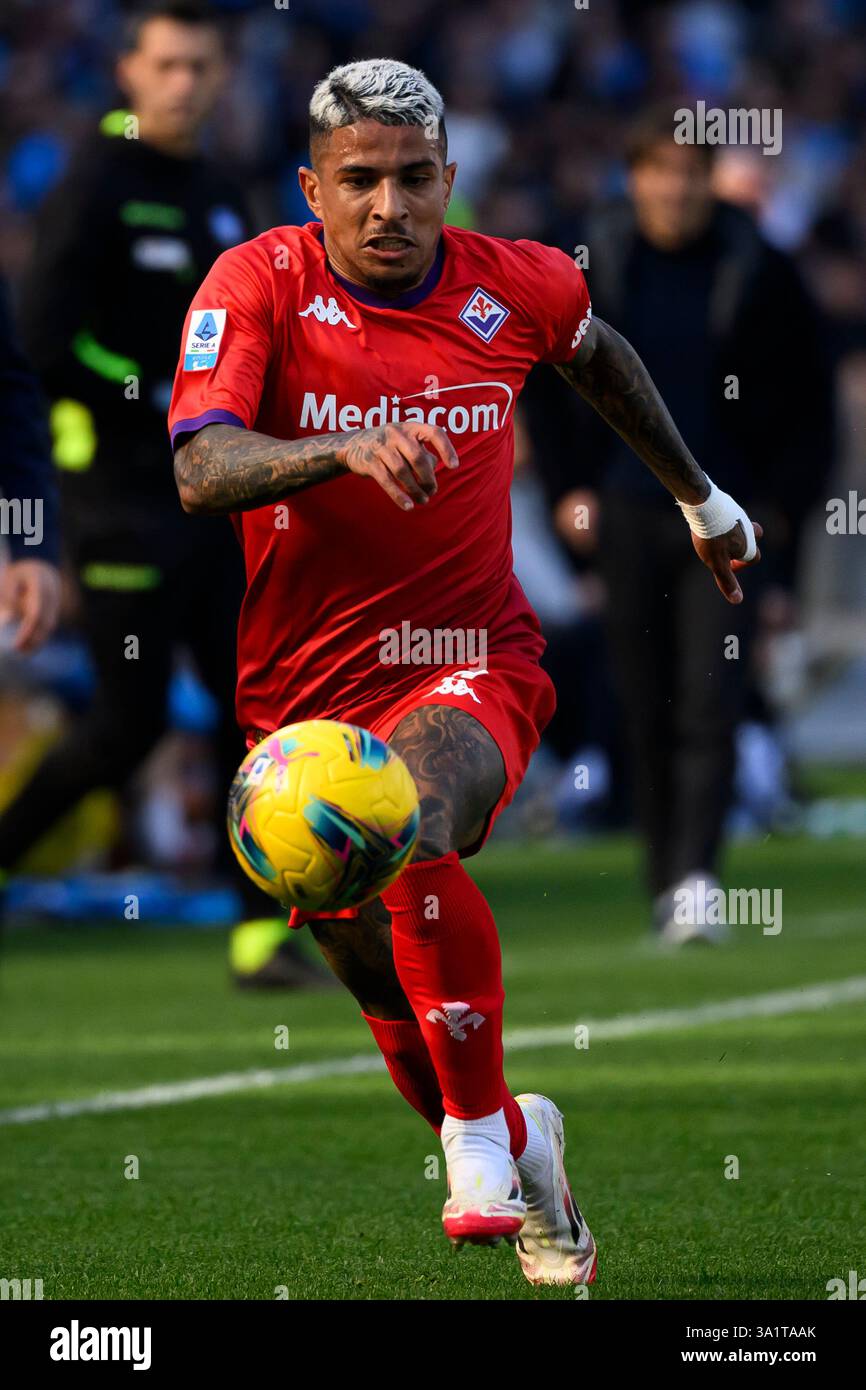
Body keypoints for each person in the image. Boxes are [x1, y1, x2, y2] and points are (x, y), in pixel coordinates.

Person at [168, 60, 760, 1282]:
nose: (389, 206)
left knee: (406, 817)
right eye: (360, 182)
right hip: (298, 699)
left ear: (450, 177)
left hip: (473, 660)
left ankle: (481, 1148)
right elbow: (201, 466)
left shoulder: (517, 281)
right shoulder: (257, 283)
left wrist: (697, 499)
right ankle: (517, 1140)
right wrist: (340, 450)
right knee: (379, 986)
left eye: (414, 178)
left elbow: (598, 357)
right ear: (312, 189)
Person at [0, 1, 319, 985]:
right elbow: (46, 342)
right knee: (127, 723)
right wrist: (161, 397)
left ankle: (261, 932)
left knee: (249, 702)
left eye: (201, 67)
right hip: (121, 496)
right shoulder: (92, 182)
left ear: (223, 77)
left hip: (217, 494)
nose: (185, 84)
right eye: (168, 65)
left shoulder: (224, 191)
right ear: (129, 73)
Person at [524, 106, 832, 943]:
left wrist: (779, 516)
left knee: (710, 698)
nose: (674, 188)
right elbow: (546, 387)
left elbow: (811, 406)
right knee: (639, 699)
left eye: (689, 172)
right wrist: (567, 492)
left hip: (728, 519)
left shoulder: (760, 266)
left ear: (707, 179)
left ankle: (697, 879)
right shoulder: (595, 261)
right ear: (636, 178)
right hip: (625, 511)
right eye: (658, 171)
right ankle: (664, 875)